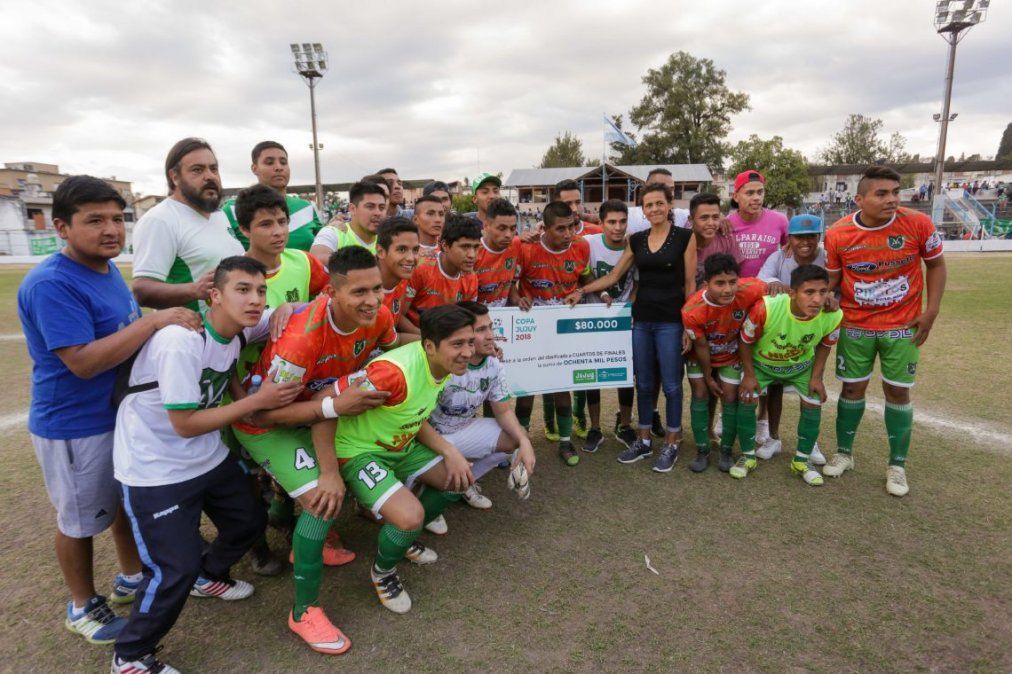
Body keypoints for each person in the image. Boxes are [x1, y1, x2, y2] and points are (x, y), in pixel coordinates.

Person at [17, 176, 203, 647]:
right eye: (94, 220)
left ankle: (131, 575)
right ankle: (82, 606)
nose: (111, 230)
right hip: (74, 425)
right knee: (79, 521)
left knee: (120, 504)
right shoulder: (52, 283)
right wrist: (157, 320)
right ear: (61, 227)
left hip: (114, 416)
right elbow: (82, 362)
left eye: (117, 218)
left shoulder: (104, 270)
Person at [111, 257, 302, 674]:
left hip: (206, 456)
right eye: (242, 290)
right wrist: (256, 401)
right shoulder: (181, 340)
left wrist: (287, 308)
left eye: (260, 291)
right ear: (213, 296)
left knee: (250, 520)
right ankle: (130, 655)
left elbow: (289, 314)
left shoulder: (238, 326)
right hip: (155, 467)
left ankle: (209, 575)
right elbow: (183, 424)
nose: (255, 300)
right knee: (171, 568)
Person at [233, 247, 402, 654]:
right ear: (330, 292)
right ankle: (303, 611)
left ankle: (287, 523)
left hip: (320, 412)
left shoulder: (380, 316)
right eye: (359, 291)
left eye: (377, 288)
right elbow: (266, 416)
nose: (373, 300)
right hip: (264, 422)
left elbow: (378, 358)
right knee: (322, 499)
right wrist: (331, 409)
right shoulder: (300, 340)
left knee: (342, 471)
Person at [325, 305, 479, 614]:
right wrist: (328, 469)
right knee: (410, 516)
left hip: (401, 444)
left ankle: (401, 539)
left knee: (458, 479)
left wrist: (450, 451)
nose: (467, 352)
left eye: (470, 342)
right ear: (430, 346)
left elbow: (412, 414)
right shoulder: (392, 372)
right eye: (457, 344)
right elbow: (327, 402)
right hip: (359, 451)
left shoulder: (445, 368)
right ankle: (383, 572)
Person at [823, 165, 946, 497]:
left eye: (896, 192)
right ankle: (844, 454)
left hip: (902, 327)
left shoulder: (918, 224)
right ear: (859, 199)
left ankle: (897, 465)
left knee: (898, 393)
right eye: (882, 193)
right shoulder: (837, 233)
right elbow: (832, 283)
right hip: (855, 327)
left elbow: (935, 265)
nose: (892, 199)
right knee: (851, 390)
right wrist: (826, 300)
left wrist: (930, 312)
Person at [232, 183, 332, 574]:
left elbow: (332, 296)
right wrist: (242, 398)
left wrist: (296, 304)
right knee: (249, 472)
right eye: (265, 224)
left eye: (282, 222)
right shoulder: (235, 274)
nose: (277, 231)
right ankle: (256, 546)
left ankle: (286, 522)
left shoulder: (303, 262)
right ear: (244, 230)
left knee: (292, 453)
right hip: (246, 390)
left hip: (294, 385)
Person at [566, 183, 696, 472]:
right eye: (648, 205)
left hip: (671, 322)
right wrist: (582, 290)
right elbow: (613, 276)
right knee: (645, 383)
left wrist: (688, 325)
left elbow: (690, 284)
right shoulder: (636, 240)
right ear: (643, 209)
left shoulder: (686, 237)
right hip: (641, 321)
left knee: (673, 385)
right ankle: (644, 439)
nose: (654, 209)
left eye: (659, 203)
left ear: (668, 204)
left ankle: (672, 442)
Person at [733, 264, 842, 486]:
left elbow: (825, 345)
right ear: (792, 293)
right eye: (809, 292)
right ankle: (747, 456)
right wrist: (750, 376)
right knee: (746, 398)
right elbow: (745, 342)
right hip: (762, 365)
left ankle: (802, 461)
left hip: (800, 367)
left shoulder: (834, 315)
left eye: (822, 292)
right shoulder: (766, 308)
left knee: (814, 401)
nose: (817, 300)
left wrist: (817, 378)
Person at [428, 301, 536, 512]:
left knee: (515, 435)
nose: (490, 335)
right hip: (429, 439)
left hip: (462, 431)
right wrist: (448, 450)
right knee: (421, 504)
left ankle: (463, 485)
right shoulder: (444, 364)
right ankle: (431, 491)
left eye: (490, 327)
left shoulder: (494, 365)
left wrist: (524, 441)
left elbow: (503, 411)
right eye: (481, 330)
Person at [513, 201, 591, 465]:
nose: (568, 234)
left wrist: (591, 292)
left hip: (563, 329)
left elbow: (585, 280)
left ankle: (566, 443)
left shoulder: (581, 246)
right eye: (560, 229)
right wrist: (518, 298)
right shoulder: (526, 249)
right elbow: (511, 283)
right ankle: (519, 443)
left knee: (562, 386)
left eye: (571, 227)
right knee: (526, 390)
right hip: (532, 329)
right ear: (544, 228)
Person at [132, 137, 243, 311]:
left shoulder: (218, 215)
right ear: (174, 177)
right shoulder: (159, 220)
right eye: (197, 170)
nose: (210, 176)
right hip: (193, 333)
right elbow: (142, 290)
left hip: (231, 333)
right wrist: (195, 290)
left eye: (214, 169)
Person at [753, 214, 829, 465]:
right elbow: (764, 279)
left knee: (811, 384)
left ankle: (810, 442)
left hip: (813, 324)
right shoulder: (779, 256)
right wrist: (782, 287)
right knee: (774, 384)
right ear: (790, 239)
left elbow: (834, 284)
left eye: (811, 236)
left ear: (819, 237)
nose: (805, 242)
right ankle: (774, 438)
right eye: (799, 237)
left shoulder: (826, 257)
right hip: (782, 325)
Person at [681, 254, 766, 473]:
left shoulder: (751, 288)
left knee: (730, 396)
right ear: (706, 284)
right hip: (700, 357)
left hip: (732, 354)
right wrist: (708, 377)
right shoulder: (692, 310)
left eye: (732, 282)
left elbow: (779, 291)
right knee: (700, 393)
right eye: (720, 283)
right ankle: (702, 450)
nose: (728, 289)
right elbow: (700, 346)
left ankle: (727, 449)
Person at [571, 200, 637, 451]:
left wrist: (628, 308)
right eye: (611, 221)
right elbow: (580, 272)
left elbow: (637, 284)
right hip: (592, 319)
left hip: (623, 321)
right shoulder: (589, 244)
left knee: (625, 374)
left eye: (622, 221)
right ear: (601, 223)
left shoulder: (634, 247)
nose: (617, 227)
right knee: (592, 375)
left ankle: (625, 425)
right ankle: (595, 428)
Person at [216, 141, 324, 251]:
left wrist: (333, 229)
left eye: (283, 162)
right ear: (254, 168)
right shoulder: (231, 209)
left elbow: (325, 245)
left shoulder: (306, 207)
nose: (278, 167)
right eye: (269, 162)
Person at [404, 214, 480, 328]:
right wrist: (428, 340)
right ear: (444, 245)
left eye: (476, 247)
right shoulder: (420, 269)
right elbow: (399, 315)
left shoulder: (471, 278)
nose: (472, 255)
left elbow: (469, 320)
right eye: (465, 247)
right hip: (417, 338)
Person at [728, 170, 788, 278]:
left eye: (760, 192)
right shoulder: (726, 225)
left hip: (770, 290)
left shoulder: (780, 220)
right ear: (736, 196)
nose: (756, 198)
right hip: (737, 291)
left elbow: (791, 252)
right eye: (749, 193)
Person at [310, 181, 387, 265]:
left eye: (382, 207)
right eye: (370, 207)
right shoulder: (333, 233)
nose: (378, 213)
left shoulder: (389, 237)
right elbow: (316, 260)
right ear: (352, 209)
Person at [474, 197, 523, 307]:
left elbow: (509, 283)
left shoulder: (516, 244)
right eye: (502, 228)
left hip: (503, 318)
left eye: (513, 228)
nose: (508, 235)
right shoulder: (472, 253)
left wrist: (517, 300)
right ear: (486, 226)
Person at [376, 216, 421, 328]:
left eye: (415, 250)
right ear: (381, 251)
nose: (411, 258)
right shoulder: (363, 290)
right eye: (402, 249)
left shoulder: (402, 279)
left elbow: (396, 318)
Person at [688, 192, 742, 285]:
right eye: (704, 218)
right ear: (691, 220)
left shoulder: (727, 239)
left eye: (715, 217)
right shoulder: (682, 241)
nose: (711, 223)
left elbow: (735, 276)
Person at [626, 168, 690, 236]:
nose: (671, 194)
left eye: (672, 189)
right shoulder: (629, 216)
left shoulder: (682, 216)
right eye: (663, 188)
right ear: (647, 188)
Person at [411, 194, 445, 260]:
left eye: (441, 214)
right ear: (415, 220)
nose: (438, 219)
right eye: (430, 214)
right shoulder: (408, 250)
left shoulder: (448, 249)